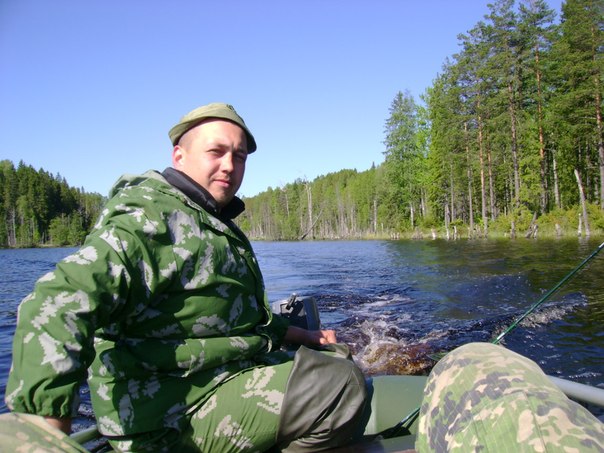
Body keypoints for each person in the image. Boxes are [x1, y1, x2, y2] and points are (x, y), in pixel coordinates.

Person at [3, 103, 368, 452]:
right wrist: (47, 435)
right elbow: (55, 305)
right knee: (341, 386)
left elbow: (242, 317)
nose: (229, 165)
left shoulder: (209, 221)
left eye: (239, 156)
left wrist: (306, 336)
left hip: (213, 380)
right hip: (166, 418)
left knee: (338, 358)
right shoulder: (151, 222)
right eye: (216, 151)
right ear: (179, 156)